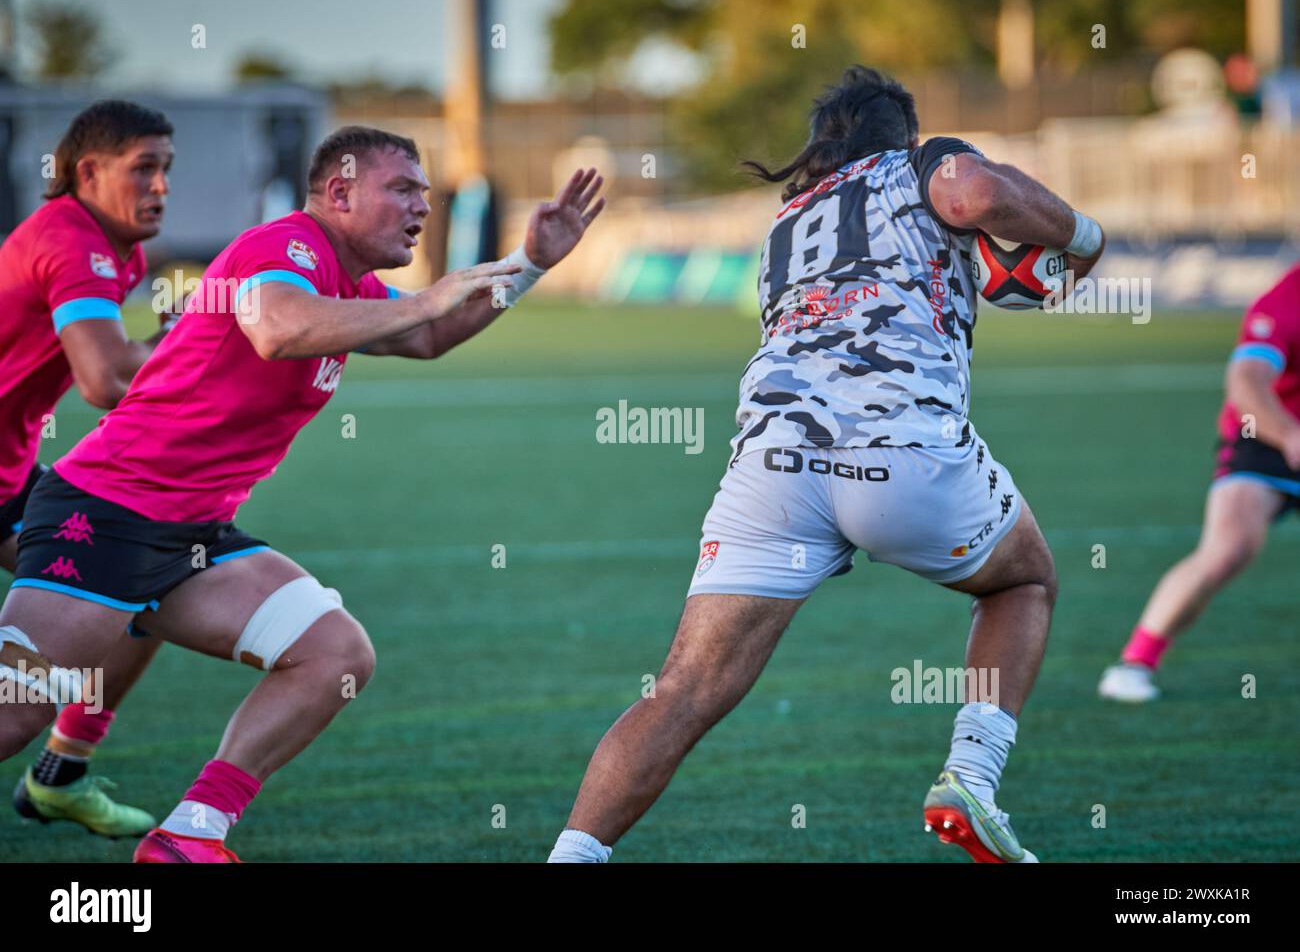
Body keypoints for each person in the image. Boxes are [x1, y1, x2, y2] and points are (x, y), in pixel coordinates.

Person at [0, 125, 604, 862]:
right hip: (104, 516)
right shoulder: (283, 247)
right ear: (341, 193)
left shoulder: (347, 280)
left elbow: (427, 338)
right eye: (403, 189)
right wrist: (431, 296)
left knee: (334, 654)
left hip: (189, 536)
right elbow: (278, 329)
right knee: (14, 715)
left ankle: (190, 837)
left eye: (424, 191)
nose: (422, 207)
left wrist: (528, 264)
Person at [548, 65, 1104, 864]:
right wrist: (1081, 238)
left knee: (681, 691)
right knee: (1023, 582)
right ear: (902, 135)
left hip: (773, 465)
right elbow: (978, 198)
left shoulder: (787, 222)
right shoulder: (919, 164)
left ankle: (570, 857)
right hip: (901, 451)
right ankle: (972, 780)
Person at [0, 100, 178, 838]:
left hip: (10, 481)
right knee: (19, 700)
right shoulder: (71, 240)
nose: (162, 185)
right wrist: (189, 344)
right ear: (89, 172)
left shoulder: (120, 250)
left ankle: (62, 774)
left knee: (150, 589)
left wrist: (168, 345)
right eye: (145, 168)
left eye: (168, 168)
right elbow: (104, 378)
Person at [1099, 264, 1300, 702]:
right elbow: (1246, 382)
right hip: (1266, 432)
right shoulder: (1285, 299)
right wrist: (1288, 435)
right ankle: (1135, 662)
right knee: (1228, 549)